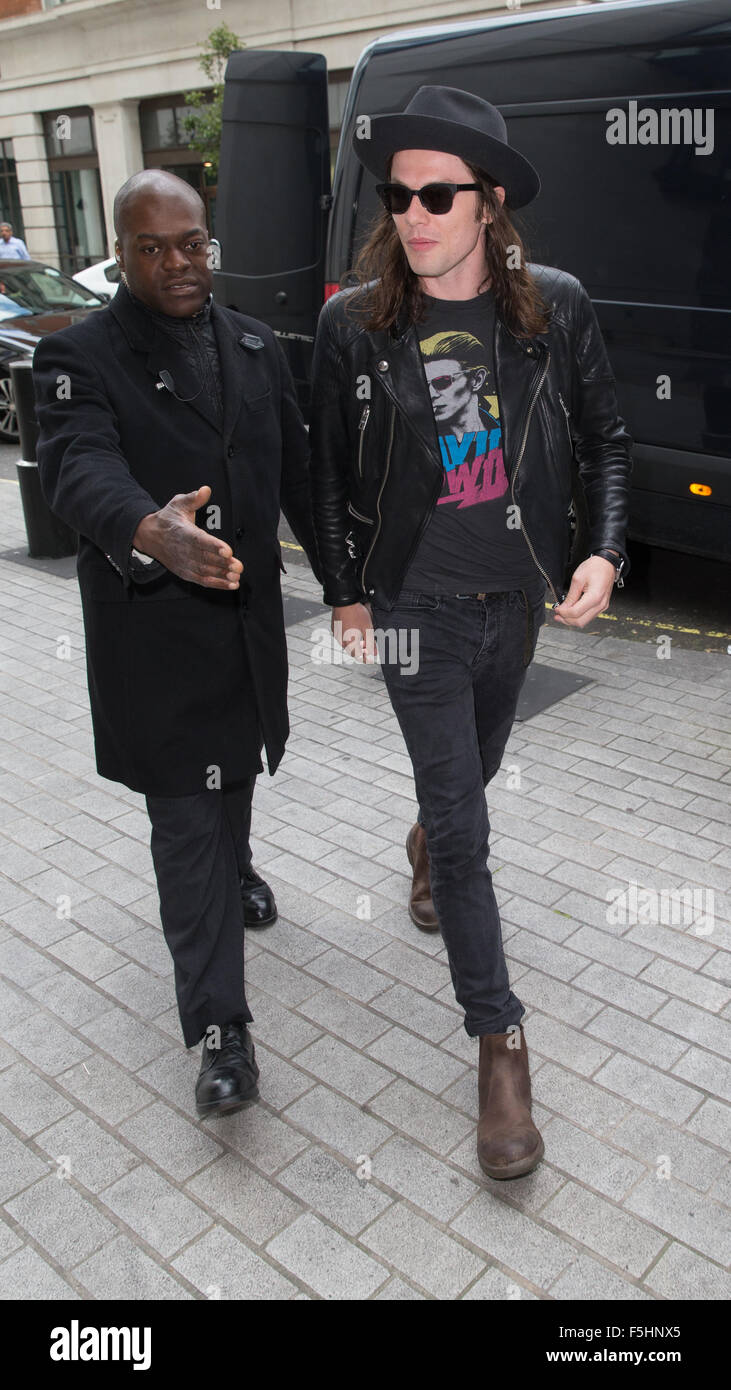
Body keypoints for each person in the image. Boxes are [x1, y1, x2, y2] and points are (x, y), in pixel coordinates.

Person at [309, 87, 632, 1180]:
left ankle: (424, 844)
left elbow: (607, 442)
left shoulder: (556, 308)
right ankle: (498, 1042)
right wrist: (345, 592)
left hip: (515, 609)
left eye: (436, 192)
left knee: (472, 775)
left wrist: (603, 550)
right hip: (413, 610)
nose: (412, 212)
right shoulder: (353, 324)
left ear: (487, 202)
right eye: (397, 194)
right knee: (465, 827)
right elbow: (321, 472)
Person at [34, 170, 320, 1118]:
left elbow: (300, 475)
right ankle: (219, 1029)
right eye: (151, 248)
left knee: (229, 781)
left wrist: (352, 585)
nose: (177, 264)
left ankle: (238, 868)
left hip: (245, 632)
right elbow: (79, 467)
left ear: (212, 243)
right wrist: (151, 531)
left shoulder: (252, 343)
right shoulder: (79, 355)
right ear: (120, 254)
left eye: (191, 243)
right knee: (186, 825)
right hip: (154, 637)